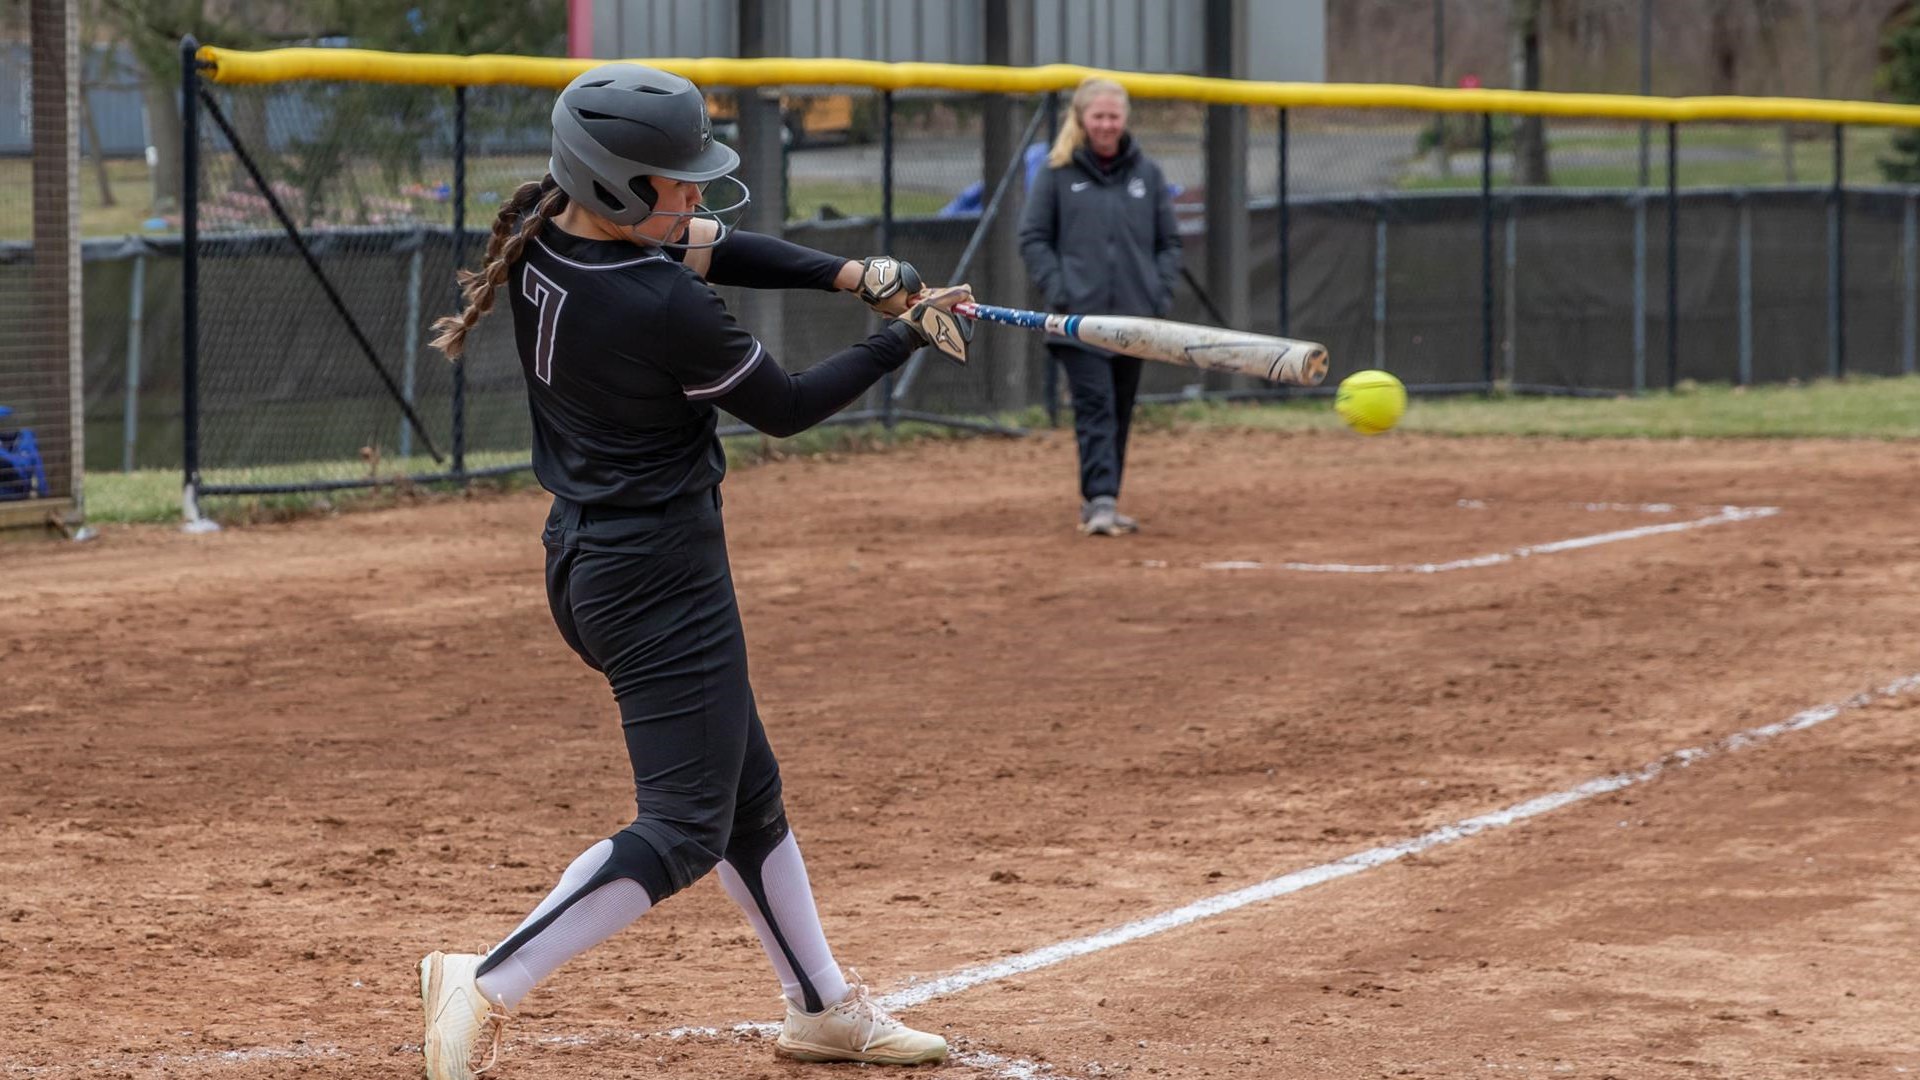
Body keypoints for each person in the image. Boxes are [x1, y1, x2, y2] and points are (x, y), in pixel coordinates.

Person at [416, 63, 971, 1080]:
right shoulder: (659, 301)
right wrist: (901, 339)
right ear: (617, 185)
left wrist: (852, 275)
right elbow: (787, 406)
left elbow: (713, 243)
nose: (696, 196)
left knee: (746, 798)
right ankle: (487, 979)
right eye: (676, 181)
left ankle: (820, 1008)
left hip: (590, 559)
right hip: (661, 577)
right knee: (682, 828)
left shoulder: (551, 229)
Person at [1019, 76, 1182, 537]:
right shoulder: (1057, 173)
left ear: (1125, 119)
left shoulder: (1147, 175)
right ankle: (1102, 501)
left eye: (1114, 116)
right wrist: (1061, 291)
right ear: (1082, 118)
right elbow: (1033, 238)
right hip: (1078, 321)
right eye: (1099, 116)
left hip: (1134, 319)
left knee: (1121, 409)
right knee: (1096, 406)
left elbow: (1169, 243)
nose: (1107, 125)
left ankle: (1102, 498)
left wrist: (1157, 294)